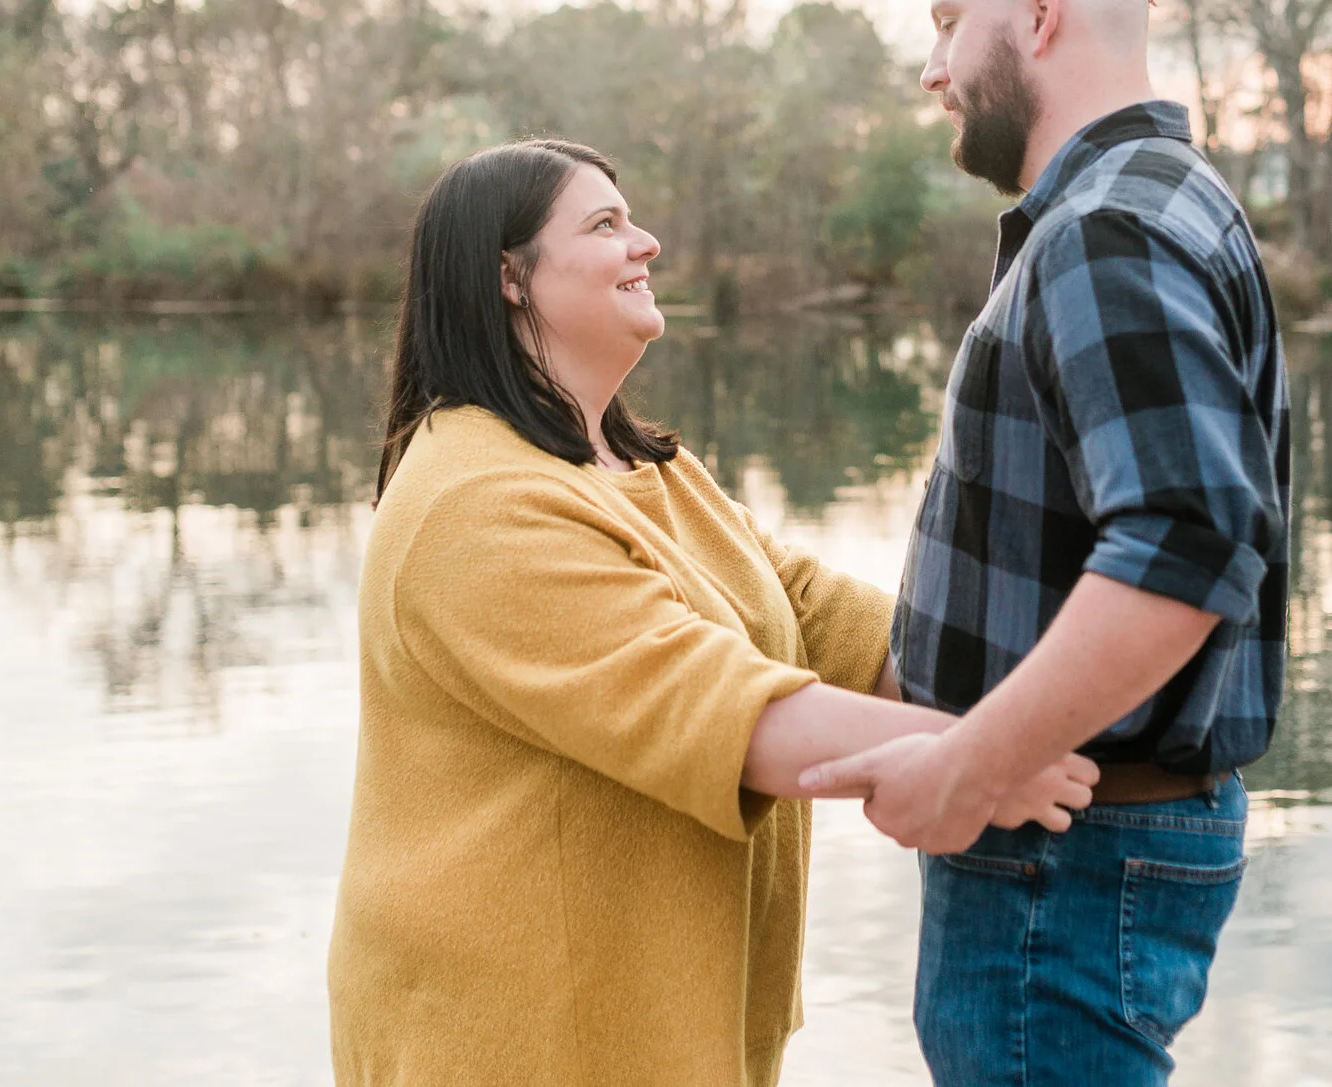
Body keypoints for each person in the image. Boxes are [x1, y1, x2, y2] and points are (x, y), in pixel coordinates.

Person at [327, 137, 1096, 1087]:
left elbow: (816, 616)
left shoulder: (639, 465)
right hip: (524, 1043)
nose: (645, 241)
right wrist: (982, 757)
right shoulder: (474, 502)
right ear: (509, 278)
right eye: (605, 224)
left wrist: (1068, 679)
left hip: (664, 1025)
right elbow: (724, 712)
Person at [804, 0, 1292, 1085]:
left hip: (1060, 860)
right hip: (1092, 848)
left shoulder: (1105, 230)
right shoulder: (1172, 197)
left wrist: (964, 767)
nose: (931, 69)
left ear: (1034, 14)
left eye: (944, 23)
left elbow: (1187, 543)